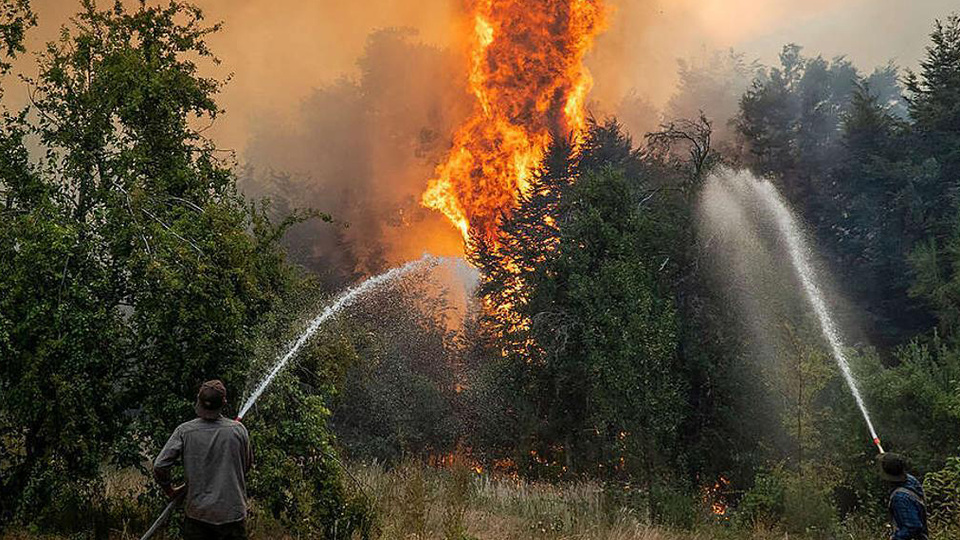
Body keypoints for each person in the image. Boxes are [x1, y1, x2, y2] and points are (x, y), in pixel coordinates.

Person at [154, 380, 253, 540]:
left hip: (198, 516)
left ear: (198, 401)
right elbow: (246, 465)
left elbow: (160, 466)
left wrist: (169, 490)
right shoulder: (238, 430)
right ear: (224, 402)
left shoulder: (184, 431)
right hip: (232, 516)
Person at [878, 452, 928, 540]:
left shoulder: (900, 498)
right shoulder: (911, 481)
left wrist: (896, 538)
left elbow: (913, 527)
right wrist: (890, 460)